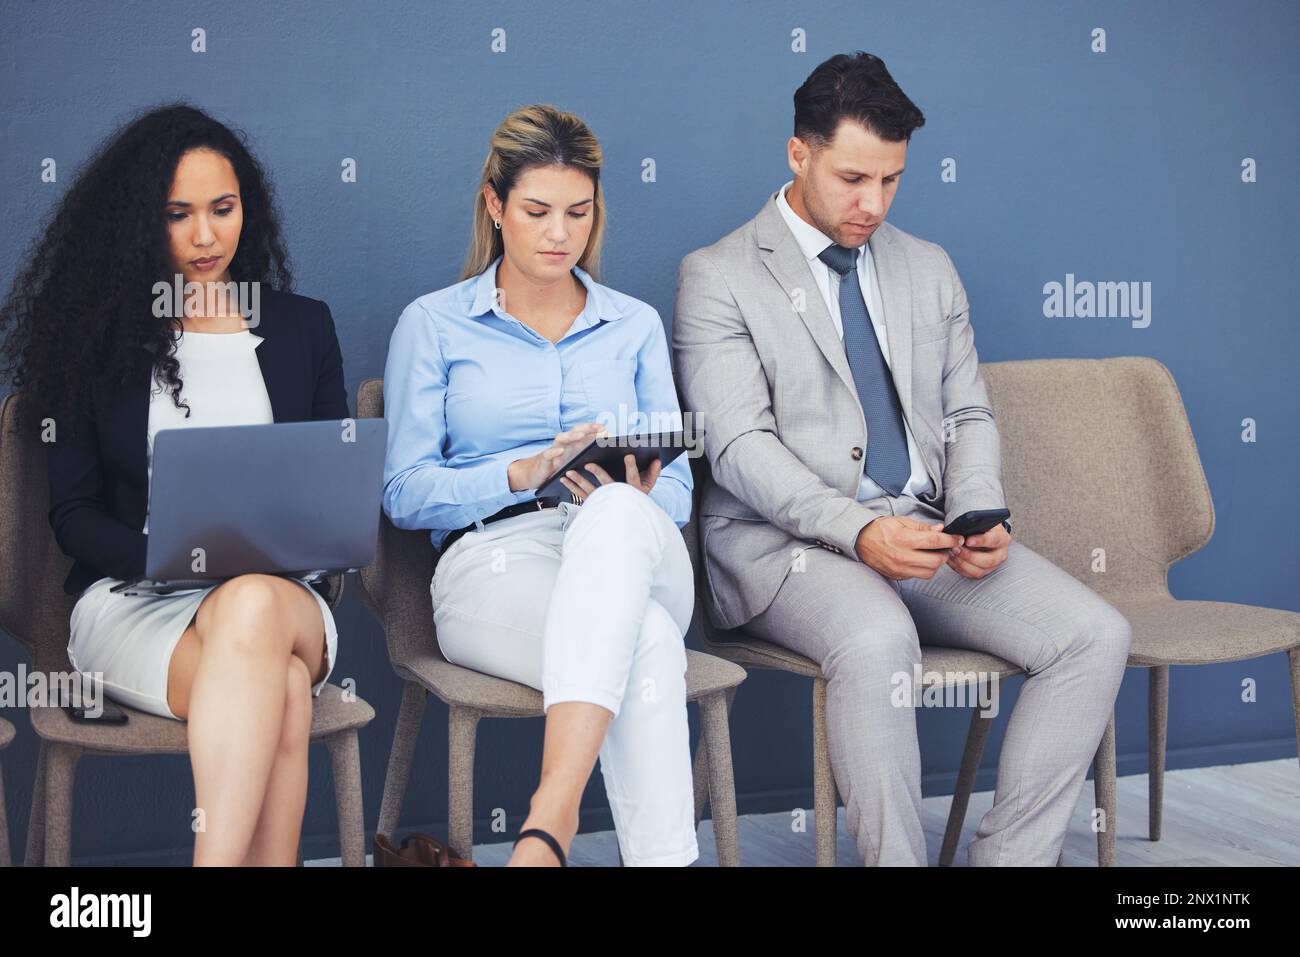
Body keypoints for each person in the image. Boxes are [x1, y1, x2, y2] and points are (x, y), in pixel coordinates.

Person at [672, 52, 1132, 866]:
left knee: (1095, 634)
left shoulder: (929, 268)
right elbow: (738, 448)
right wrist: (856, 532)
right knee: (881, 640)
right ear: (798, 152)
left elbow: (968, 413)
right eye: (854, 178)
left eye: (891, 181)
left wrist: (977, 511)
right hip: (787, 549)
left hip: (927, 534)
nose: (872, 203)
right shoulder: (718, 277)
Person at [0, 104, 350, 866]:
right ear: (137, 223)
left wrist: (264, 560)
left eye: (223, 210)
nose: (204, 236)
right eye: (178, 214)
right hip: (134, 605)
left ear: (245, 211)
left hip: (282, 598)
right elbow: (74, 517)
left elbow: (335, 491)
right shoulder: (91, 340)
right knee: (284, 692)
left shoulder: (302, 327)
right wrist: (174, 556)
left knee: (253, 601)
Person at [382, 104, 698, 867]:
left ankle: (543, 828)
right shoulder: (433, 325)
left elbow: (680, 489)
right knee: (646, 641)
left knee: (619, 510)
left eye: (578, 213)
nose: (560, 233)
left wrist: (627, 489)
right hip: (492, 568)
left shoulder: (635, 325)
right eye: (537, 211)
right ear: (495, 205)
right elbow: (404, 490)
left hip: (639, 550)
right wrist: (518, 473)